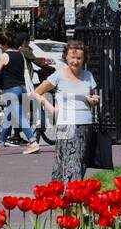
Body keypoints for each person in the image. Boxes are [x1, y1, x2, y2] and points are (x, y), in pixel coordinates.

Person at [34, 41, 99, 183]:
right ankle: (69, 194)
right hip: (65, 124)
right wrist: (51, 108)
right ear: (66, 57)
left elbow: (93, 98)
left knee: (80, 161)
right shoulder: (58, 75)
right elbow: (37, 93)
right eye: (72, 57)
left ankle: (69, 194)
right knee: (67, 160)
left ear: (84, 59)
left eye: (79, 58)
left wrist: (94, 100)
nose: (75, 61)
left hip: (85, 124)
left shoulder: (88, 76)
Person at [0, 31, 39, 155]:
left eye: (0, 44)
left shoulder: (4, 56)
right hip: (22, 88)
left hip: (11, 90)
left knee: (19, 116)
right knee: (8, 118)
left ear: (4, 43)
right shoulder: (20, 54)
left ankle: (33, 142)